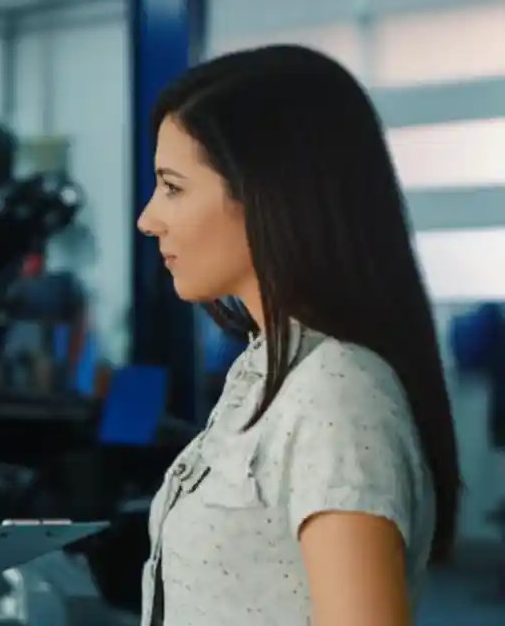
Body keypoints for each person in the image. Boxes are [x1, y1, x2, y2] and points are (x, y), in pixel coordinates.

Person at [134, 44, 461, 626]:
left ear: (266, 194)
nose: (148, 217)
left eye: (172, 187)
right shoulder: (264, 367)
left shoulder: (338, 392)